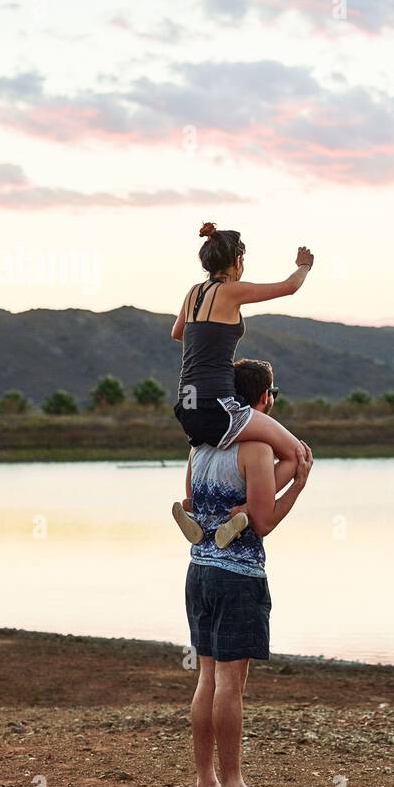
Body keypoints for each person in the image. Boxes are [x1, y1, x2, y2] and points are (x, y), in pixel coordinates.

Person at [183, 361, 314, 787]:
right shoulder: (257, 448)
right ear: (263, 400)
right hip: (238, 575)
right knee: (229, 683)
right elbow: (262, 521)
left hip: (198, 571)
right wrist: (296, 485)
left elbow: (195, 505)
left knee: (206, 676)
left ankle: (206, 783)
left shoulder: (198, 447)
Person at [170, 221, 314, 547]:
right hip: (217, 403)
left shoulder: (194, 293)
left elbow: (178, 333)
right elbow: (289, 287)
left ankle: (193, 508)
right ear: (236, 261)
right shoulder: (231, 291)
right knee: (297, 453)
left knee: (206, 449)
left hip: (187, 404)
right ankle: (251, 507)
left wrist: (207, 340)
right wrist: (304, 266)